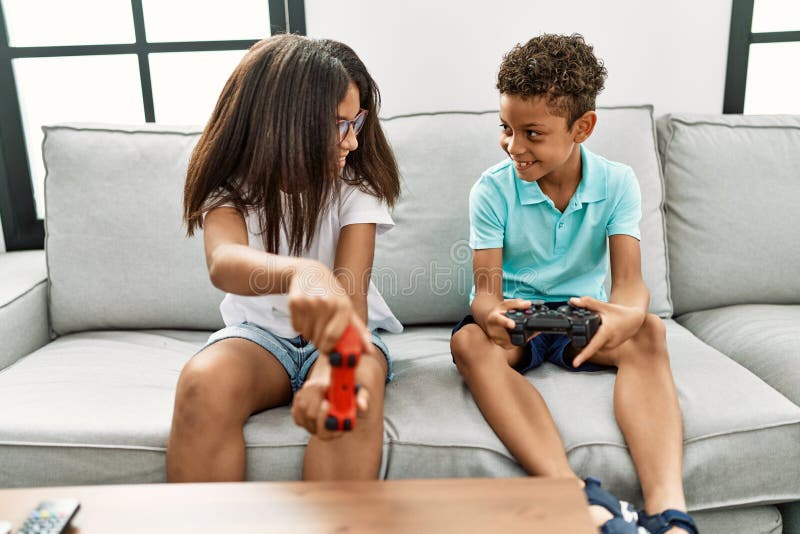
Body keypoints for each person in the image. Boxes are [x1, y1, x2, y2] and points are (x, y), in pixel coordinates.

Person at [449, 34, 697, 534]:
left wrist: (625, 315)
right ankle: (575, 497)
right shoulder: (492, 190)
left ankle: (671, 513)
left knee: (648, 331)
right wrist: (490, 316)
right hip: (518, 319)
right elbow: (486, 295)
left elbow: (630, 286)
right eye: (506, 129)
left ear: (582, 127)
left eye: (533, 133)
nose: (514, 146)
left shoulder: (617, 182)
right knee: (469, 342)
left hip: (583, 314)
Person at [167, 34, 402, 482]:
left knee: (352, 393)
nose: (351, 142)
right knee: (202, 382)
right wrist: (303, 273)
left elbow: (350, 309)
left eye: (357, 123)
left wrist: (333, 373)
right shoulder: (232, 188)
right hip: (257, 339)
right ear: (284, 123)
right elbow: (224, 262)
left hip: (343, 337)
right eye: (338, 125)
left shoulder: (355, 190)